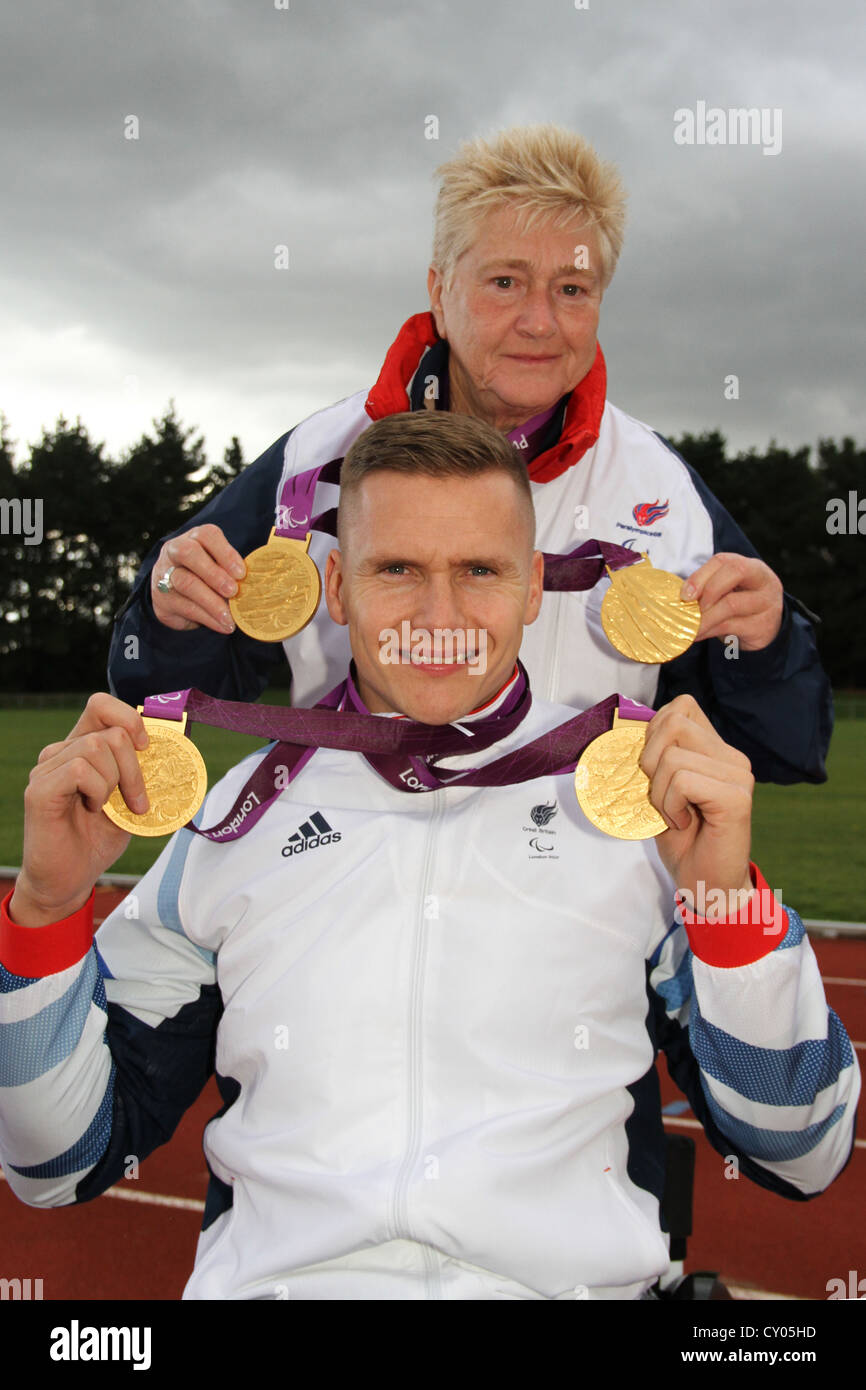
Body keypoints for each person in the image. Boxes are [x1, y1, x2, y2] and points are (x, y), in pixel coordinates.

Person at [1, 413, 856, 1301]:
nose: (438, 616)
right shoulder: (232, 822)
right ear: (336, 586)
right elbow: (58, 1160)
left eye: (480, 571)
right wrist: (47, 913)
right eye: (397, 568)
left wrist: (727, 910)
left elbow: (802, 1149)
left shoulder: (642, 814)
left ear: (533, 590)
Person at [108, 124, 832, 787]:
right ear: (440, 289)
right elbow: (163, 701)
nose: (540, 321)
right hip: (347, 868)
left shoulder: (658, 483)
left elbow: (782, 749)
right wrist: (174, 613)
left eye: (572, 288)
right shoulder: (316, 458)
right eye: (506, 282)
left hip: (578, 889)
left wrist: (766, 648)